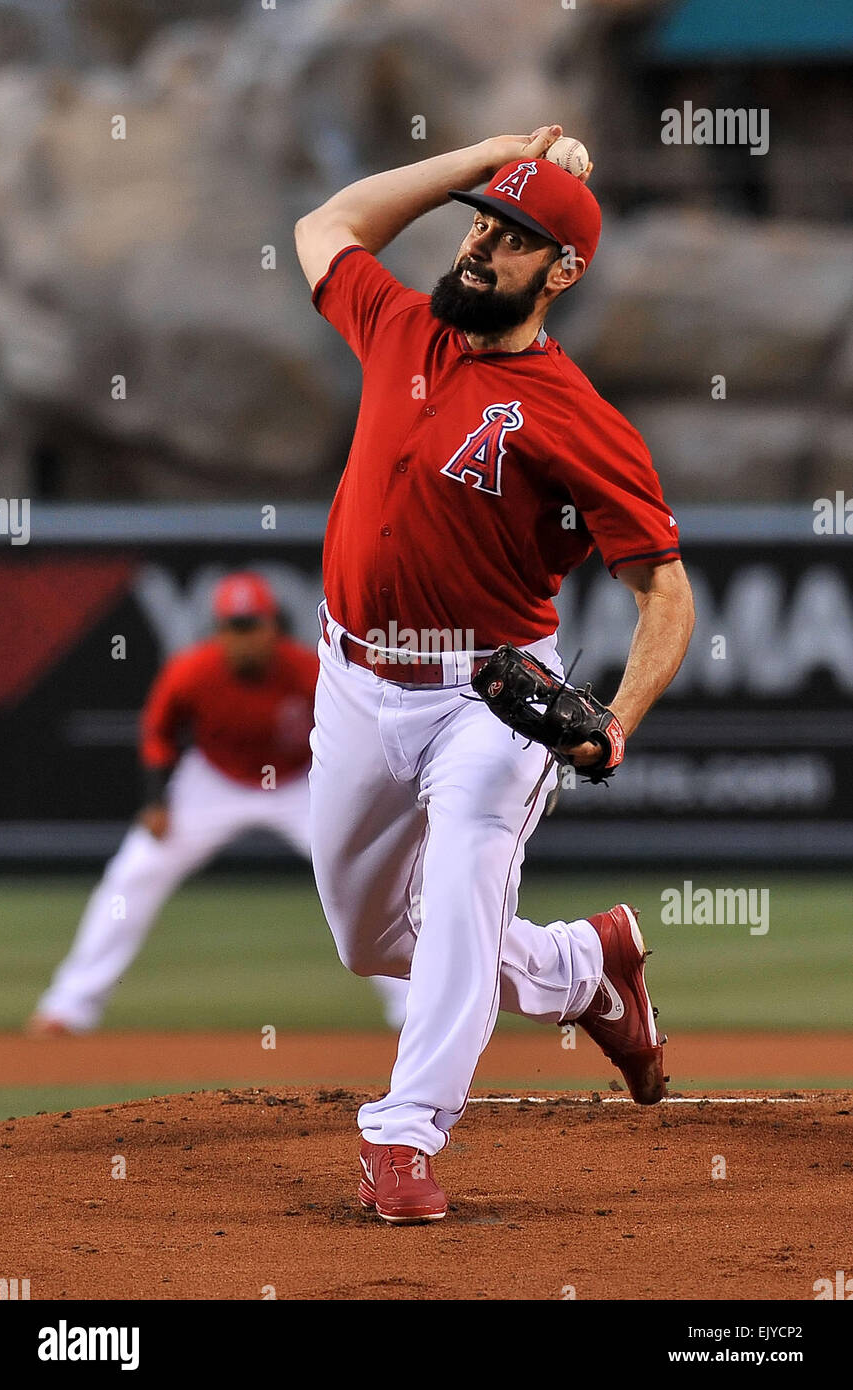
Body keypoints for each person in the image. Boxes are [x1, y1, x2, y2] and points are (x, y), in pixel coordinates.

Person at [294, 124, 695, 1222]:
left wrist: (614, 716)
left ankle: (404, 1133)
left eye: (512, 237)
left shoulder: (579, 419)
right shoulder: (399, 325)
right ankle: (581, 969)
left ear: (560, 272)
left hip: (489, 693)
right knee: (369, 934)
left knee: (467, 882)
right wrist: (482, 159)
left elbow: (665, 591)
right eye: (481, 221)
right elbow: (323, 227)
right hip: (355, 680)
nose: (479, 245)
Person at [29, 571, 408, 1035]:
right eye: (235, 626)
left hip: (298, 783)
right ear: (220, 631)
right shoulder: (193, 671)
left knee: (370, 879)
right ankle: (69, 1007)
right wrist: (156, 800)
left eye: (253, 624)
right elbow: (158, 733)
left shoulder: (309, 669)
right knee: (132, 875)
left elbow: (356, 737)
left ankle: (411, 1008)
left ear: (274, 626)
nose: (245, 637)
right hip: (214, 781)